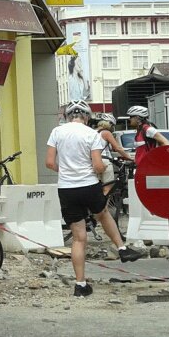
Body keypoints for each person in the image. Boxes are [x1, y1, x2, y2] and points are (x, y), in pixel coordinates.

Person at [46, 100, 143, 297]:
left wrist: (64, 171)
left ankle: (80, 285)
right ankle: (122, 248)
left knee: (79, 238)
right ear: (87, 116)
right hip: (88, 185)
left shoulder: (57, 132)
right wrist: (100, 170)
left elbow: (49, 162)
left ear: (68, 116)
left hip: (66, 188)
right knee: (103, 213)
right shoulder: (92, 134)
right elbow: (98, 165)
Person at [94, 113, 132, 192]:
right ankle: (105, 204)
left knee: (96, 187)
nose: (112, 128)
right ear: (109, 123)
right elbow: (117, 148)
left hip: (94, 161)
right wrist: (129, 157)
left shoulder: (92, 132)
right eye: (112, 126)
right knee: (108, 187)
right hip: (104, 161)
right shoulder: (106, 133)